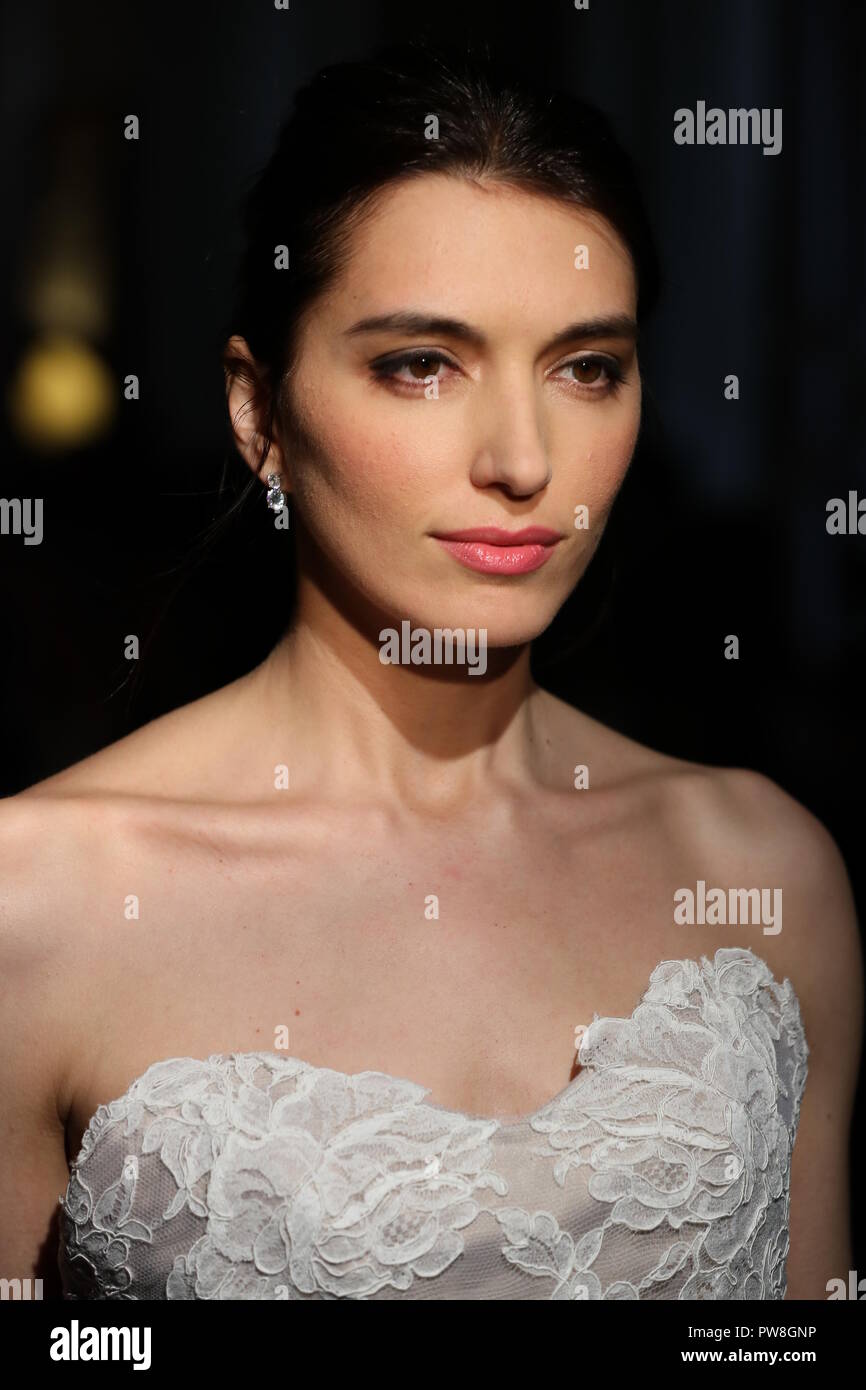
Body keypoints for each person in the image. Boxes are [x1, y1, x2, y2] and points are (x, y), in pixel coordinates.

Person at [0, 41, 860, 1301]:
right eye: (421, 364)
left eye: (584, 368)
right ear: (260, 414)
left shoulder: (763, 872)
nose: (521, 458)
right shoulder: (39, 901)